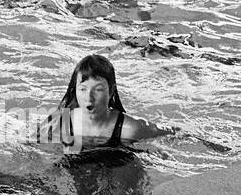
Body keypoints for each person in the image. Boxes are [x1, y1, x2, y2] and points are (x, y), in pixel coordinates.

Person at [40, 54, 168, 155]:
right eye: (83, 89)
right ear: (75, 90)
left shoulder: (129, 129)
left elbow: (170, 133)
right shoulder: (59, 123)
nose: (89, 97)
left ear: (111, 91)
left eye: (98, 89)